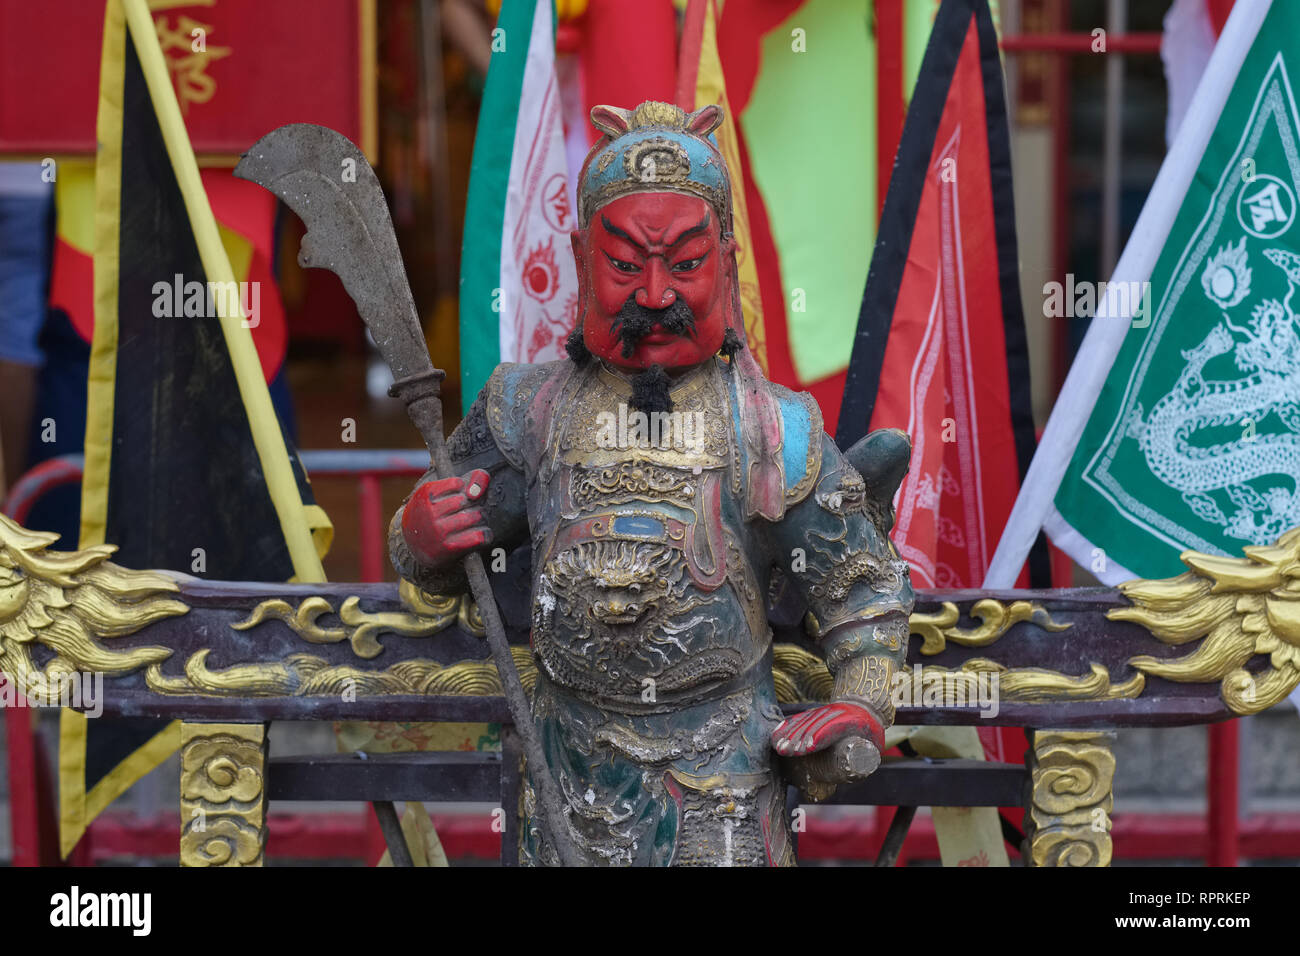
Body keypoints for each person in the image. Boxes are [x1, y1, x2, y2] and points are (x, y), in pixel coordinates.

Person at [390, 101, 913, 866]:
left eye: (688, 264)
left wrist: (861, 709)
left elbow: (864, 593)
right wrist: (418, 534)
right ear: (580, 260)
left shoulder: (771, 430)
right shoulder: (524, 412)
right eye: (628, 266)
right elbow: (433, 572)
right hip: (565, 779)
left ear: (728, 263)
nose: (658, 293)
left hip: (724, 779)